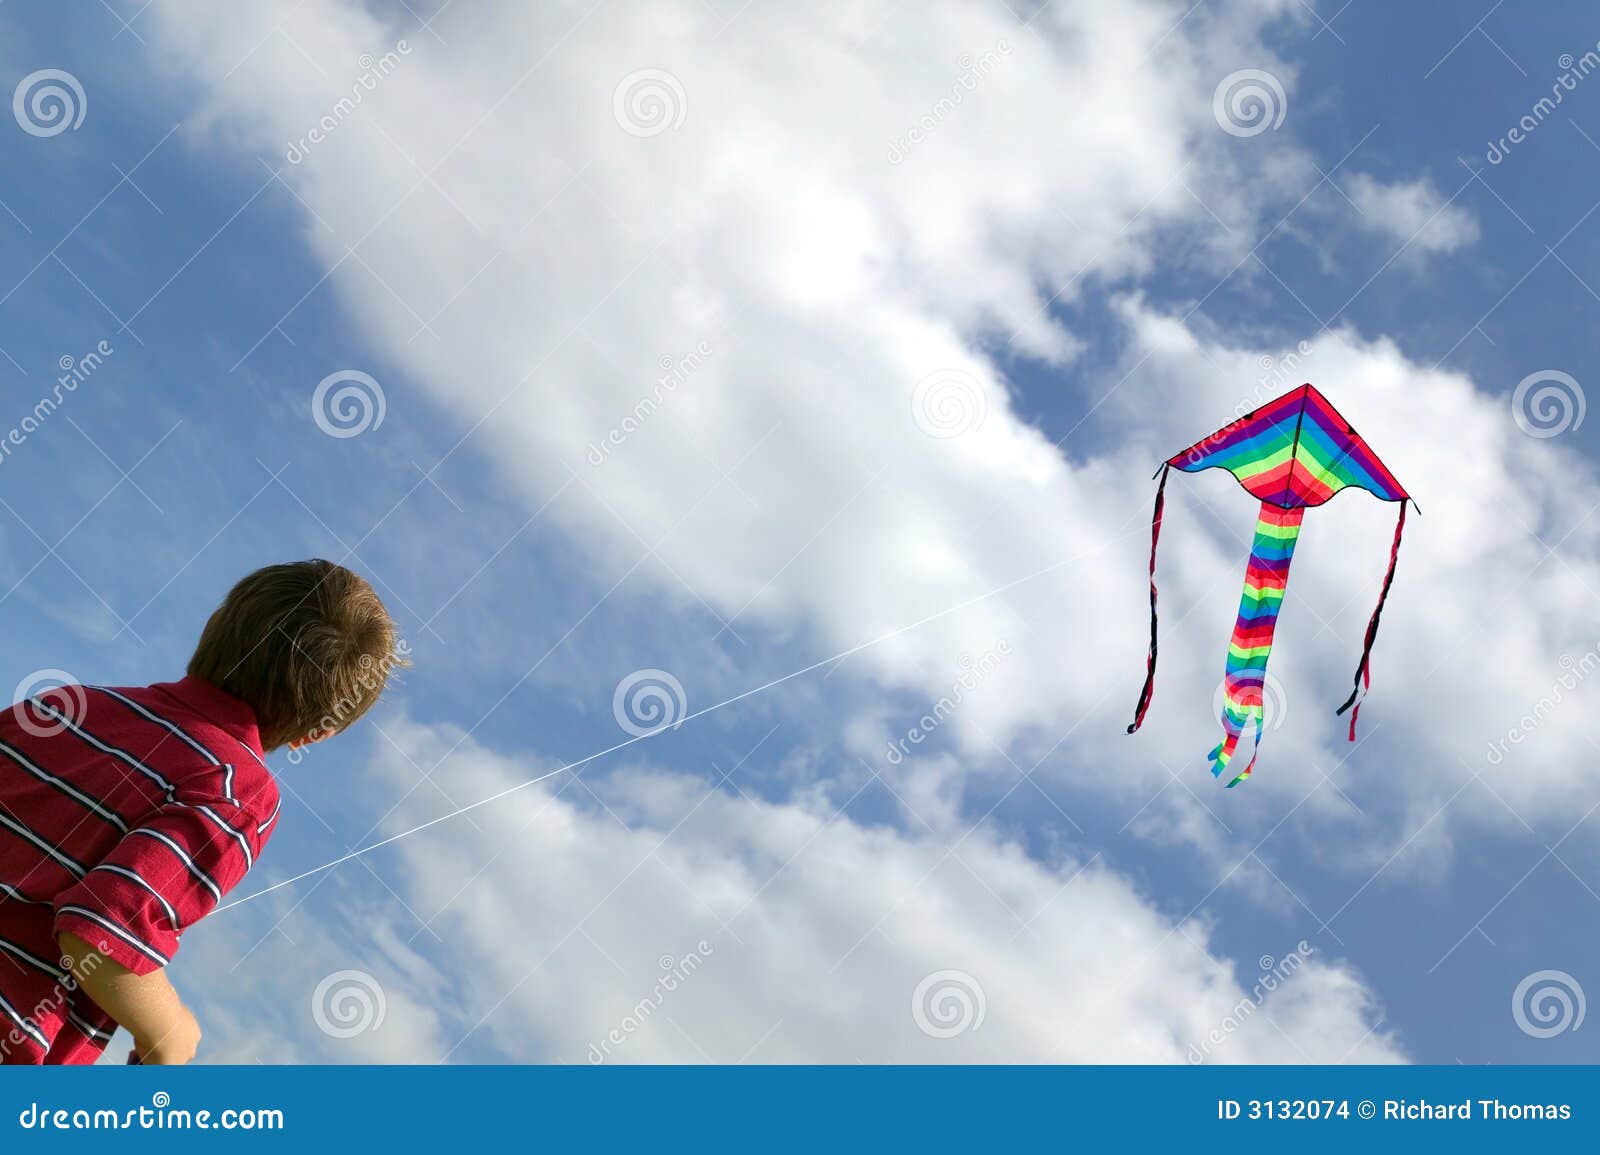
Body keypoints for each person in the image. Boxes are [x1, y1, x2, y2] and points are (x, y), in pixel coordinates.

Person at [0, 560, 401, 1064]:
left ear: (214, 628)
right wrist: (169, 1034)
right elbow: (99, 930)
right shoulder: (237, 790)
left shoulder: (68, 704)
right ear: (318, 732)